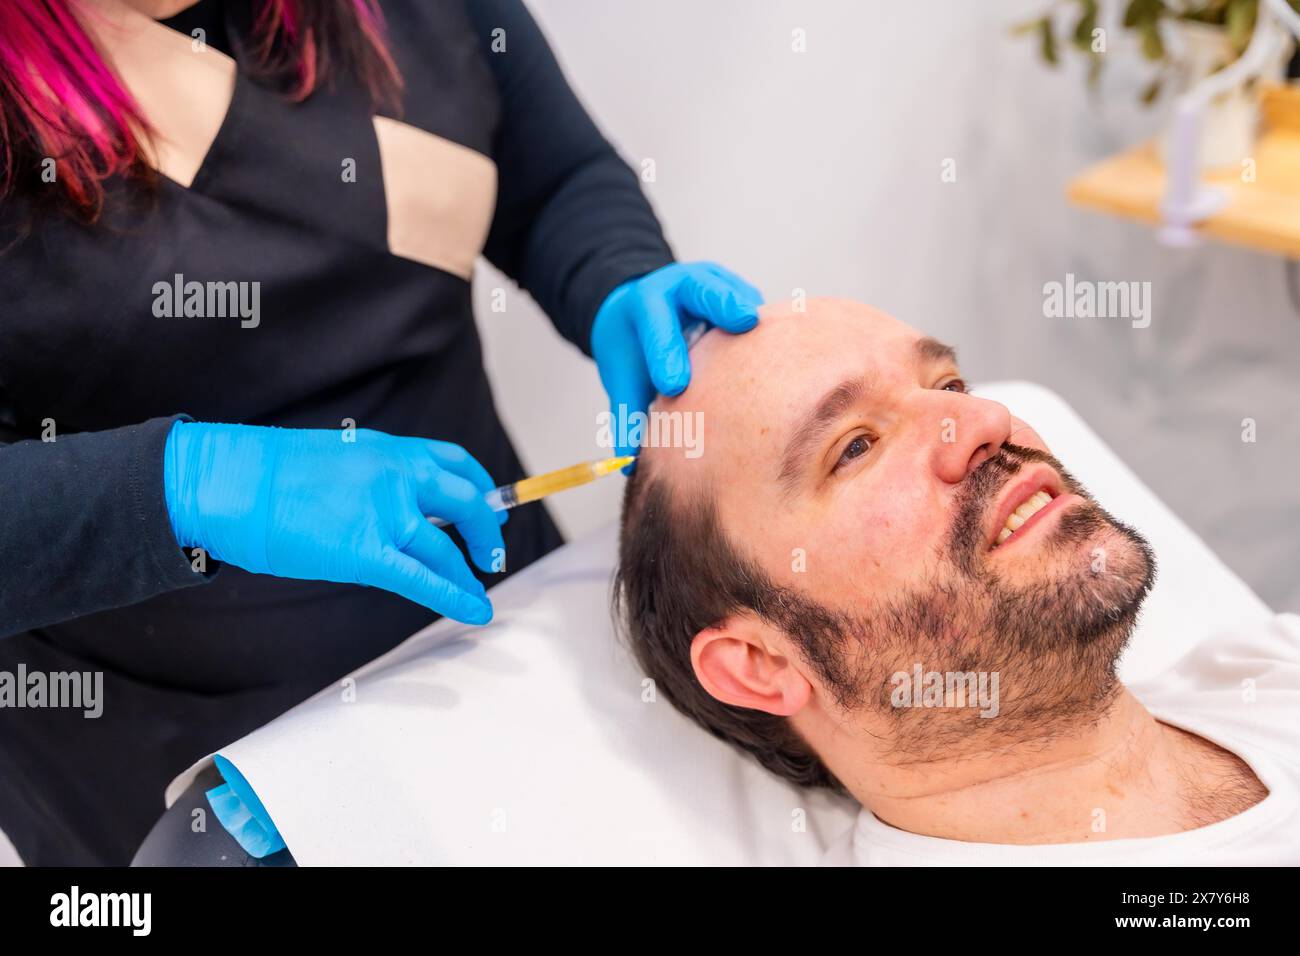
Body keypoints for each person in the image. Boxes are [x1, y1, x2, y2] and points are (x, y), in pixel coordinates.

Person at [0, 0, 761, 864]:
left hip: (506, 635)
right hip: (193, 764)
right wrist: (186, 485)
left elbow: (553, 180)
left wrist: (619, 277)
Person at [615, 298, 1300, 865]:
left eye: (949, 386)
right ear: (762, 663)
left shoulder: (1268, 669)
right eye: (854, 446)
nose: (984, 421)